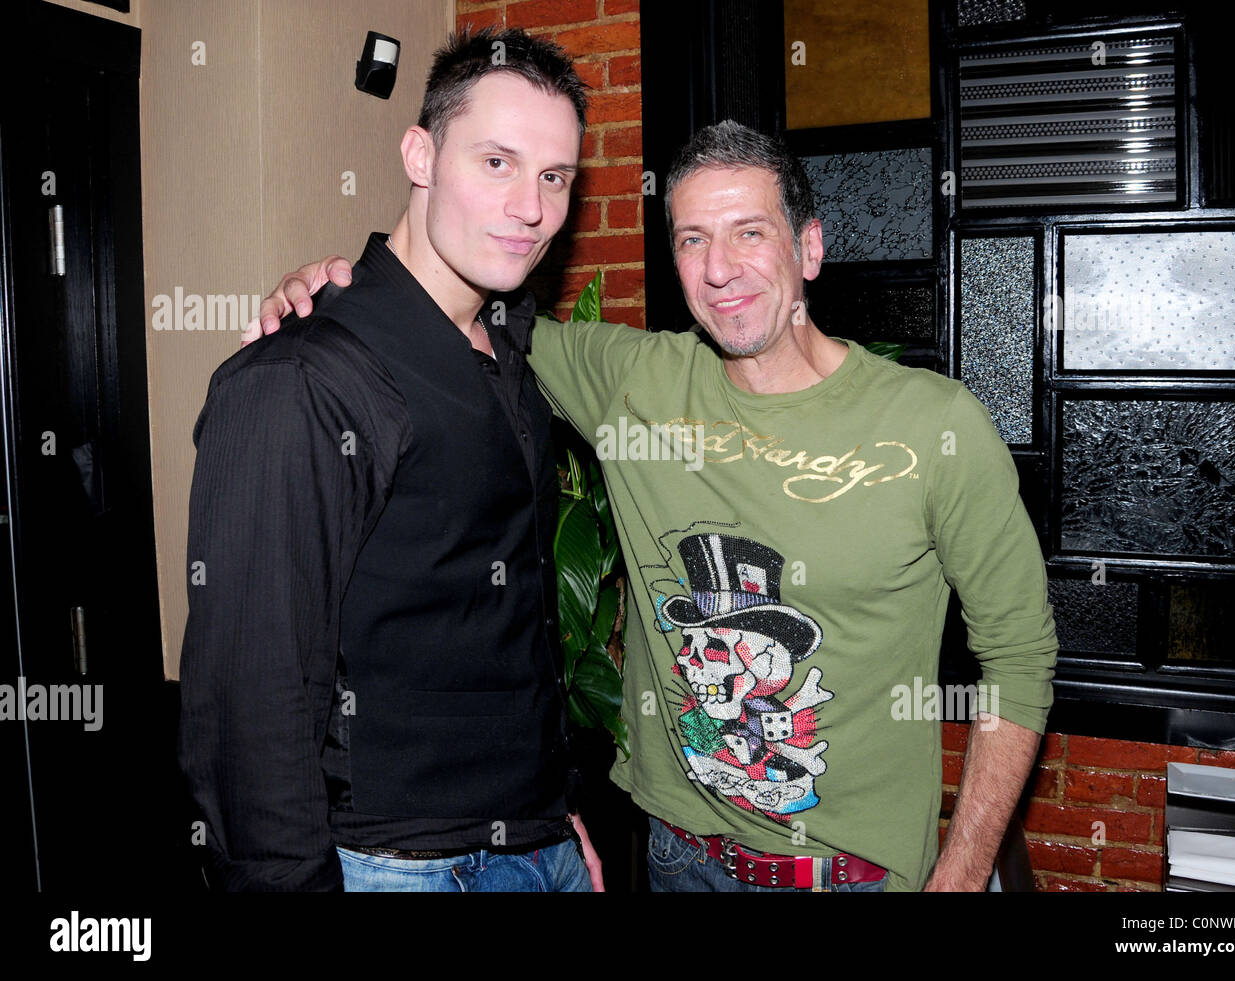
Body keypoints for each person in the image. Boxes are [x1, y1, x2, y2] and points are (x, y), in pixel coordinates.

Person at [254, 120, 1058, 892]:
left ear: (808, 247)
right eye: (692, 240)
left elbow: (1019, 660)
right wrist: (338, 291)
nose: (719, 269)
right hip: (676, 857)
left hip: (850, 874)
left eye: (750, 232)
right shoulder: (634, 380)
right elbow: (463, 312)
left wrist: (961, 871)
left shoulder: (933, 426)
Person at [179, 27, 604, 892]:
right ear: (420, 153)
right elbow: (249, 699)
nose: (532, 206)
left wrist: (555, 821)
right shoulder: (302, 376)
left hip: (538, 844)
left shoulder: (510, 353)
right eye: (496, 161)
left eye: (554, 176)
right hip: (397, 866)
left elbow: (509, 636)